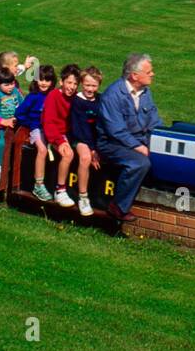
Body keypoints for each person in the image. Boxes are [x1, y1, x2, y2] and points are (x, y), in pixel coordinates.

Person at [96, 53, 162, 224]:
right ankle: (118, 206)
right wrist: (139, 148)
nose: (152, 74)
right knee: (140, 163)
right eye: (149, 72)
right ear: (134, 76)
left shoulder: (146, 92)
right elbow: (116, 131)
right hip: (112, 144)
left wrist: (161, 140)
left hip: (138, 140)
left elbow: (154, 121)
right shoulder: (113, 95)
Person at [15, 64, 57, 201]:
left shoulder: (53, 95)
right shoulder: (33, 97)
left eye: (47, 80)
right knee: (43, 150)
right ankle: (38, 184)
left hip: (49, 128)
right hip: (36, 128)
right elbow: (19, 113)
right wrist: (30, 124)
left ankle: (57, 186)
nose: (44, 83)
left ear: (52, 82)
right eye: (41, 79)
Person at [41, 64, 80, 208]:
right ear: (61, 82)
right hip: (55, 134)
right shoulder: (53, 96)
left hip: (69, 134)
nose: (72, 86)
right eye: (69, 82)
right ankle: (60, 190)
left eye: (75, 83)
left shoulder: (76, 98)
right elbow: (49, 123)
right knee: (68, 154)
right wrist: (59, 141)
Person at [69, 66, 103, 218]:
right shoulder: (78, 101)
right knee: (85, 157)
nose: (90, 89)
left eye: (94, 86)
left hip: (96, 139)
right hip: (80, 138)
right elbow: (80, 127)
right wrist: (92, 149)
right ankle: (83, 196)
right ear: (82, 83)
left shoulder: (100, 100)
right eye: (87, 85)